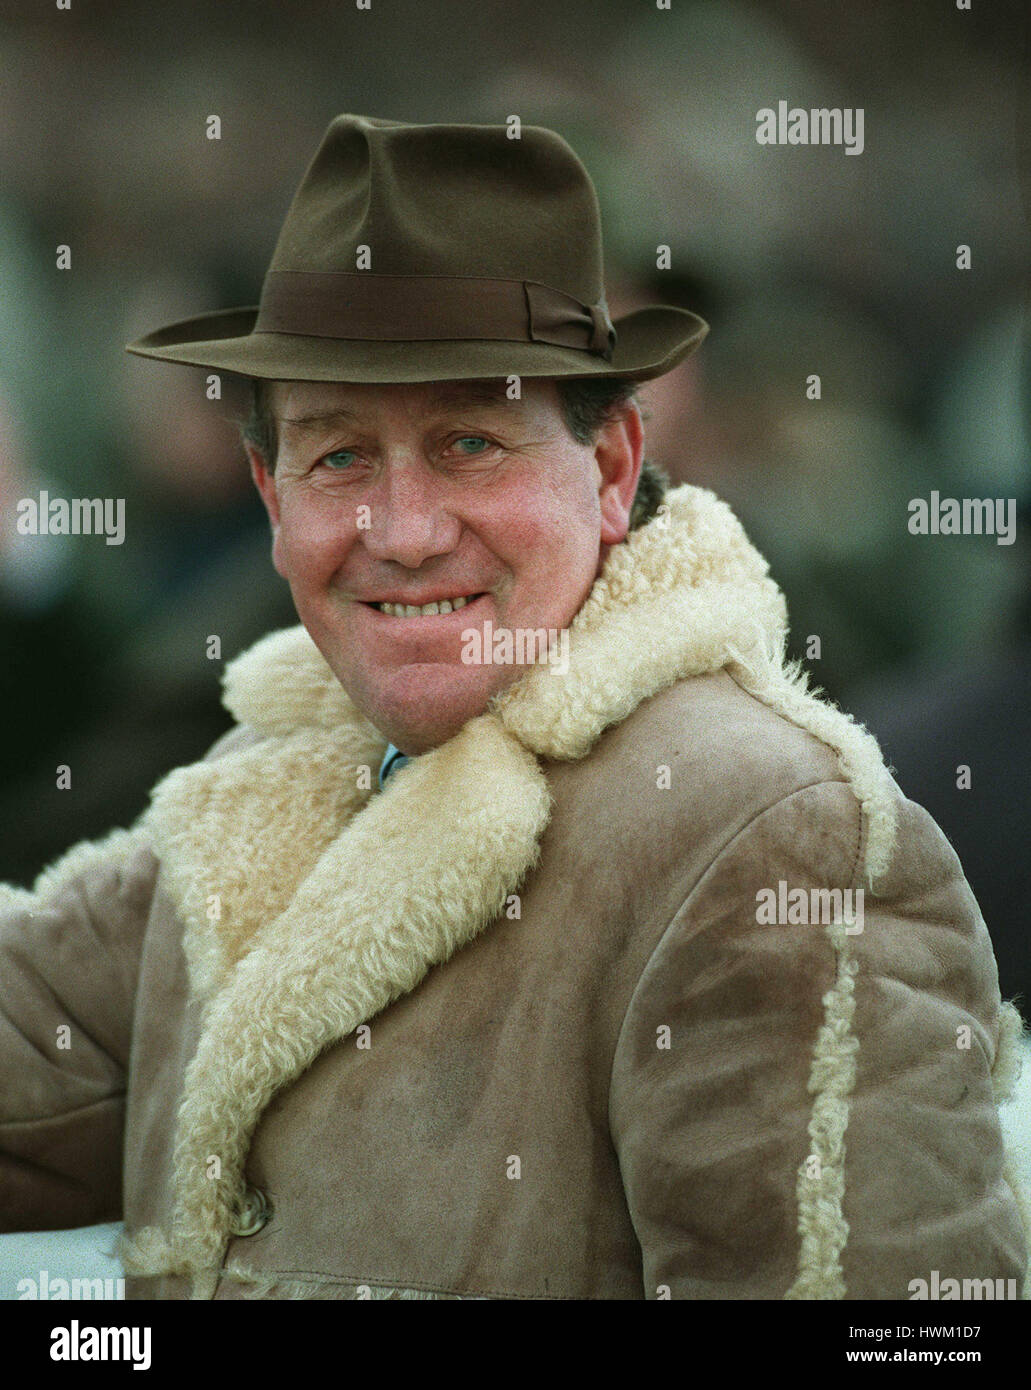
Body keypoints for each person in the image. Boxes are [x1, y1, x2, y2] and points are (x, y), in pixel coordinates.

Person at [0, 114, 1026, 1301]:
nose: (404, 531)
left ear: (610, 471)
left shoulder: (769, 833)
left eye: (470, 442)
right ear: (266, 493)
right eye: (338, 458)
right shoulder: (275, 778)